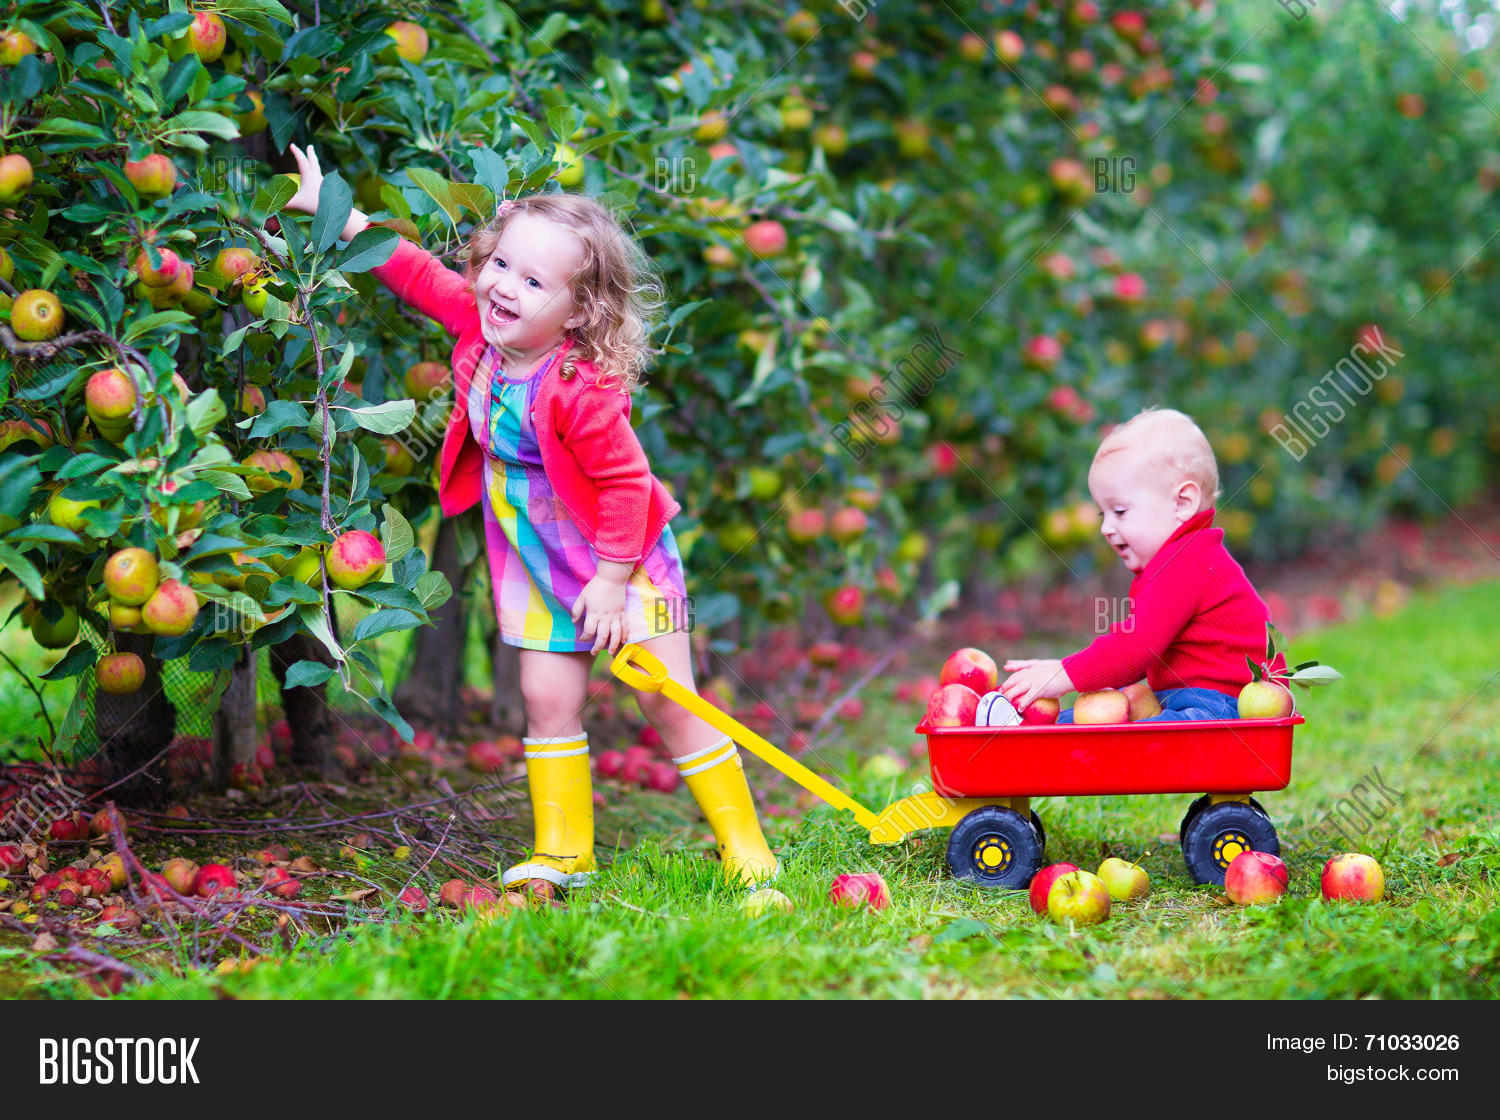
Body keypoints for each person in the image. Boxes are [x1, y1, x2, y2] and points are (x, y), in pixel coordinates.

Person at [283, 145, 778, 887]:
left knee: (667, 699)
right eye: (500, 265)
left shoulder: (580, 387)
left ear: (579, 312)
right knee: (546, 699)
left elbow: (625, 483)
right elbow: (416, 272)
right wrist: (339, 214)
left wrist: (611, 583)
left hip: (625, 561)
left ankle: (747, 850)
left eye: (533, 280)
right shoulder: (480, 331)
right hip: (537, 559)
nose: (504, 287)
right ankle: (564, 851)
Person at [1000, 408, 1283, 722]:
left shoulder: (1186, 560)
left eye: (1120, 512)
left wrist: (1061, 673)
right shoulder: (1176, 561)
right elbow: (1134, 657)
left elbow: (1133, 650)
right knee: (1084, 724)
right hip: (1185, 702)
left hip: (1222, 708)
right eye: (1103, 514)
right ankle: (1035, 730)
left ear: (1182, 503)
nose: (1106, 528)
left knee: (1139, 739)